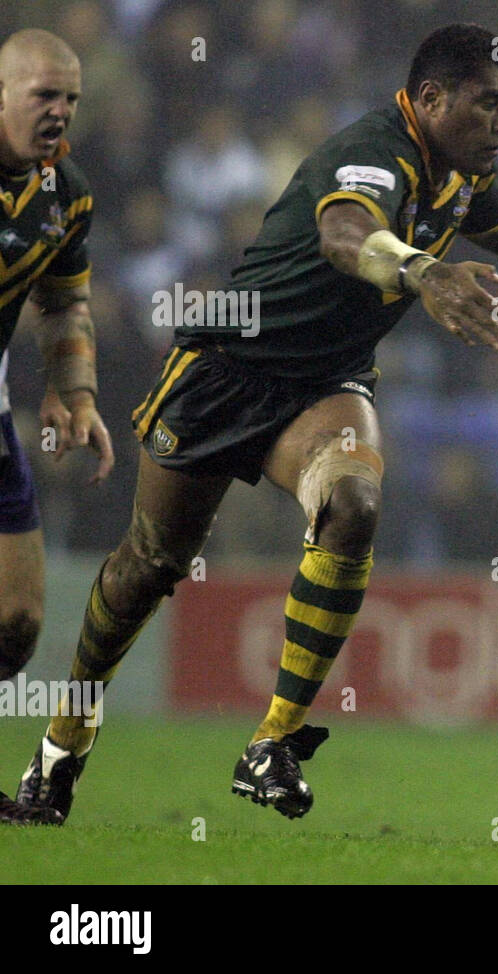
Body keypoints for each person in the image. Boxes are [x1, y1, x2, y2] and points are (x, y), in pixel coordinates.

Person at [5, 23, 498, 825]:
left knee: (354, 507)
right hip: (225, 374)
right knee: (150, 567)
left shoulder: (461, 175)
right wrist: (425, 271)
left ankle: (274, 738)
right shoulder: (378, 151)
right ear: (432, 99)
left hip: (325, 384)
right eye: (488, 104)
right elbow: (345, 235)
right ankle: (62, 746)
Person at [0, 30, 113, 824]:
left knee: (18, 620)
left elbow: (64, 301)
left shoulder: (63, 192)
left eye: (70, 98)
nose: (60, 112)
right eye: (44, 95)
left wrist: (73, 391)